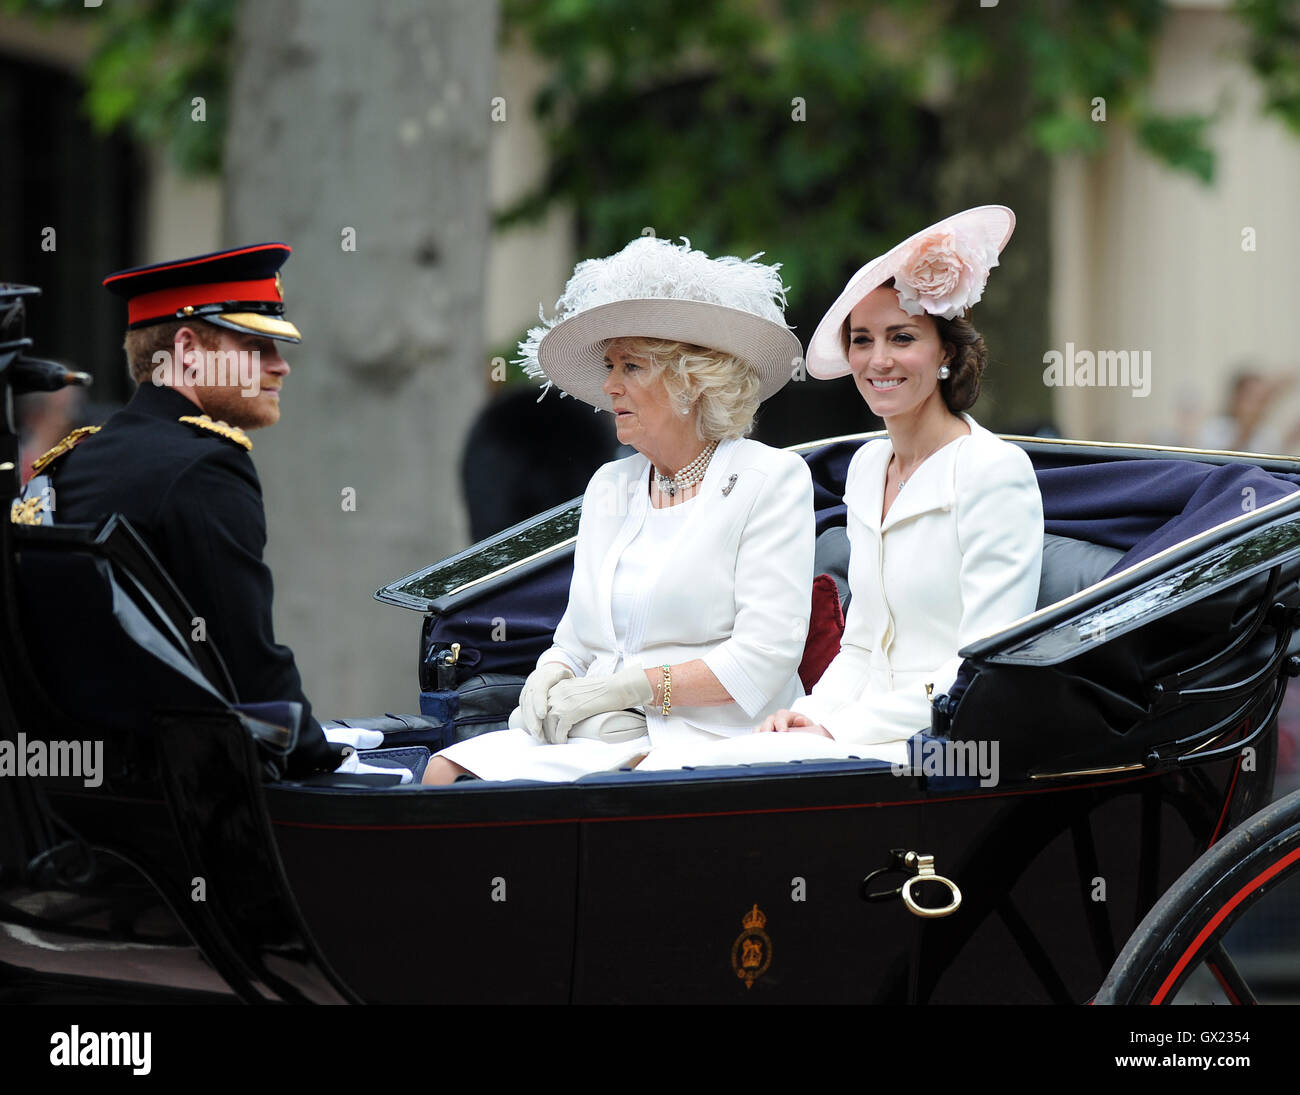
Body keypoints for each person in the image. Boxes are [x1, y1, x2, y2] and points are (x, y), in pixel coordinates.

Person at [641, 206, 1044, 770]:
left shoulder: (993, 470)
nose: (878, 360)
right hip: (855, 733)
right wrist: (814, 714)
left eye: (902, 338)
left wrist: (838, 727)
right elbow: (860, 644)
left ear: (945, 352)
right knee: (671, 766)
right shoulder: (867, 465)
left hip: (945, 747)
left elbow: (978, 666)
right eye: (862, 340)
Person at [423, 236, 814, 784]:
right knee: (442, 772)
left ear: (691, 381)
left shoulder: (768, 479)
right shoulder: (612, 483)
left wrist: (636, 686)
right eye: (610, 365)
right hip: (598, 728)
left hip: (711, 734)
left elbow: (765, 656)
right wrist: (552, 673)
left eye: (630, 366)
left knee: (576, 793)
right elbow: (578, 639)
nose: (608, 386)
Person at [17, 243, 341, 777]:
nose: (281, 367)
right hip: (179, 802)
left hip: (70, 794)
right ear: (187, 349)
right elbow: (248, 666)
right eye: (257, 346)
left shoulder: (72, 460)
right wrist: (321, 758)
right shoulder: (204, 467)